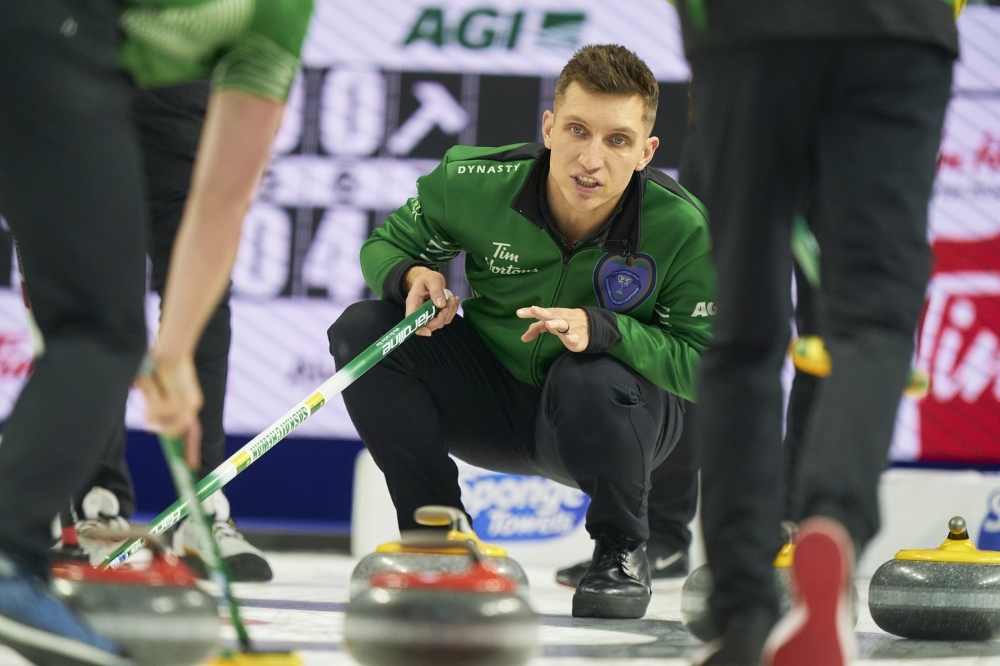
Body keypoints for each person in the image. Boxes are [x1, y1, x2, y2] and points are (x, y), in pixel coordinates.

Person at [327, 43, 716, 620]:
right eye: (578, 131)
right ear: (549, 127)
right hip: (490, 404)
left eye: (617, 140)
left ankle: (619, 552)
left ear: (645, 152)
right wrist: (411, 275)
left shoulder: (683, 226)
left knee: (592, 373)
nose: (591, 159)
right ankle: (437, 534)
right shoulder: (473, 180)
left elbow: (707, 367)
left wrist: (608, 330)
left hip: (607, 421)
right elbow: (384, 245)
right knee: (364, 328)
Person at [0, 0, 312, 662]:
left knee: (89, 321)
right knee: (100, 330)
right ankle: (7, 558)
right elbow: (223, 198)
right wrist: (170, 360)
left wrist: (174, 353)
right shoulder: (281, 11)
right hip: (54, 45)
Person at [676, 1, 958, 664]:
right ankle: (831, 521)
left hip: (748, 36)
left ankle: (743, 610)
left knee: (742, 331)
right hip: (898, 35)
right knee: (872, 321)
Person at [71, 80, 272, 582]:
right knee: (93, 300)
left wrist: (174, 353)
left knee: (203, 301)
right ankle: (94, 507)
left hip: (185, 106)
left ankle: (202, 507)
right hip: (82, 92)